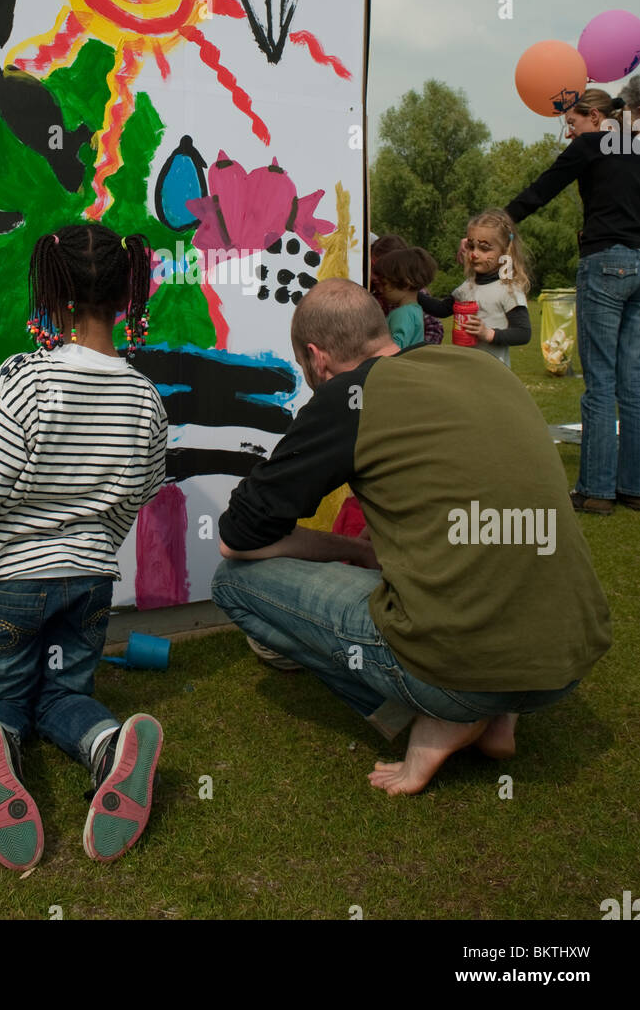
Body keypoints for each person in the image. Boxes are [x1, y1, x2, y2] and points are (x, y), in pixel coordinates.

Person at [212, 279, 611, 796]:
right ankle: (499, 709)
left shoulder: (347, 397)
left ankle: (437, 715)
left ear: (317, 358)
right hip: (566, 662)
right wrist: (363, 549)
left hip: (457, 667)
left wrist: (351, 550)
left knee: (232, 582)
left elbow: (237, 537)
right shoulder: (480, 368)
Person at [0, 223, 168, 869]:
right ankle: (108, 742)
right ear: (124, 292)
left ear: (52, 293)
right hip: (88, 580)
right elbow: (139, 491)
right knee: (60, 691)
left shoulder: (26, 379)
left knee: (0, 694)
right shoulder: (144, 397)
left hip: (9, 582)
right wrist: (92, 548)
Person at [505, 82, 640, 515]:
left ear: (596, 119)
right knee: (633, 384)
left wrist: (495, 222)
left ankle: (596, 490)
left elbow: (541, 190)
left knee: (599, 382)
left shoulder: (594, 145)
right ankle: (633, 488)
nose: (569, 134)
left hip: (605, 263)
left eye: (571, 122)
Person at [417, 209, 532, 366]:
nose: (474, 254)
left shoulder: (508, 289)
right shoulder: (467, 287)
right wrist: (412, 293)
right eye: (471, 246)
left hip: (493, 372)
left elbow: (523, 333)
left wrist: (488, 334)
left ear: (505, 251)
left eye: (484, 248)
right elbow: (441, 309)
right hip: (465, 367)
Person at [371, 234, 444, 345]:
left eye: (385, 281)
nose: (374, 276)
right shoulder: (413, 308)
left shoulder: (404, 313)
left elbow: (397, 348)